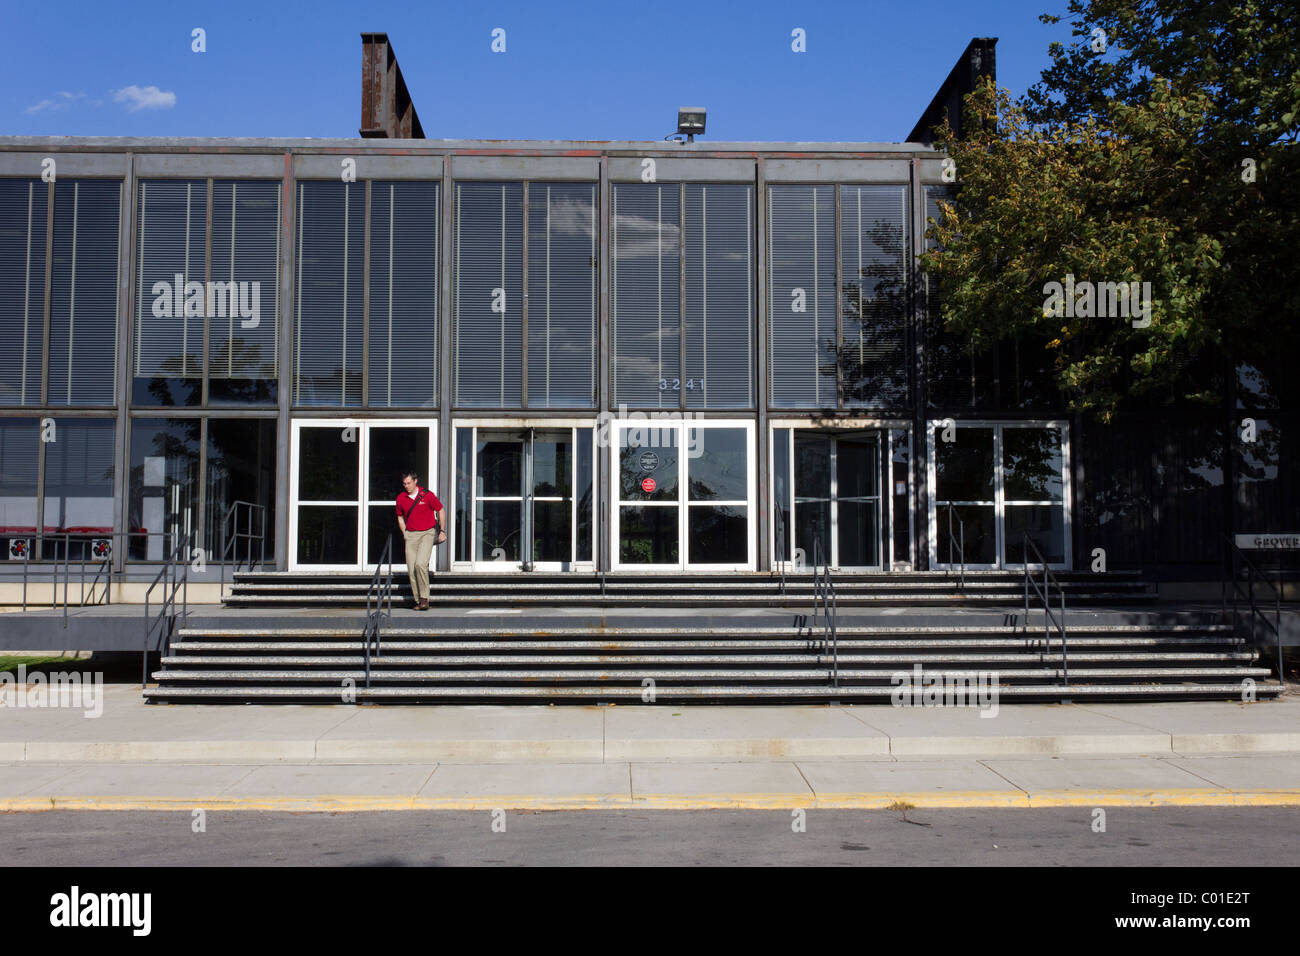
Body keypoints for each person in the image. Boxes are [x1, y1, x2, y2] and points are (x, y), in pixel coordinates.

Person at [395, 470, 445, 610]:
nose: (407, 486)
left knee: (420, 564)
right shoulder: (401, 498)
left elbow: (440, 510)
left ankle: (424, 599)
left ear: (415, 481)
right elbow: (400, 517)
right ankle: (419, 600)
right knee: (411, 569)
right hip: (411, 535)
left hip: (427, 533)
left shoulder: (427, 495)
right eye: (404, 483)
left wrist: (441, 530)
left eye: (409, 483)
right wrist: (405, 533)